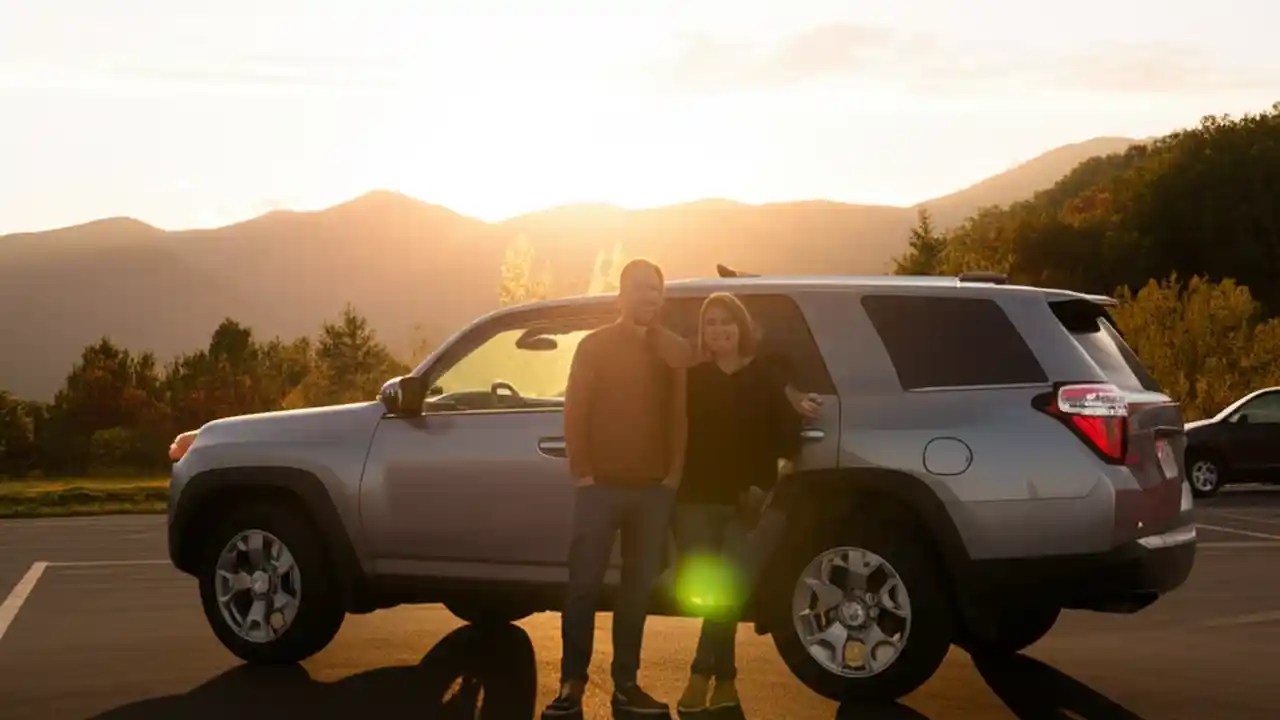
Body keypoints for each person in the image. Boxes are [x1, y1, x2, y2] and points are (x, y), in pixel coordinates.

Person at [542, 259, 687, 720]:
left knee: (637, 593)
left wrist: (672, 478)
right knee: (583, 587)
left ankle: (627, 686)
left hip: (651, 492)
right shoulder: (595, 346)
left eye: (657, 290)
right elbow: (575, 407)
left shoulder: (673, 350)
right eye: (642, 289)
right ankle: (571, 685)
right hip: (599, 488)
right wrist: (582, 471)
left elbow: (679, 416)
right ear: (621, 296)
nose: (650, 297)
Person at [670, 292, 807, 714]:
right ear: (702, 332)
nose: (719, 330)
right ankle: (725, 681)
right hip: (694, 501)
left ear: (741, 327)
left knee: (726, 589)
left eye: (727, 322)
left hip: (746, 502)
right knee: (713, 593)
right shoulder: (691, 378)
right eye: (711, 323)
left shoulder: (766, 375)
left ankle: (699, 675)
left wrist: (764, 487)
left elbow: (789, 440)